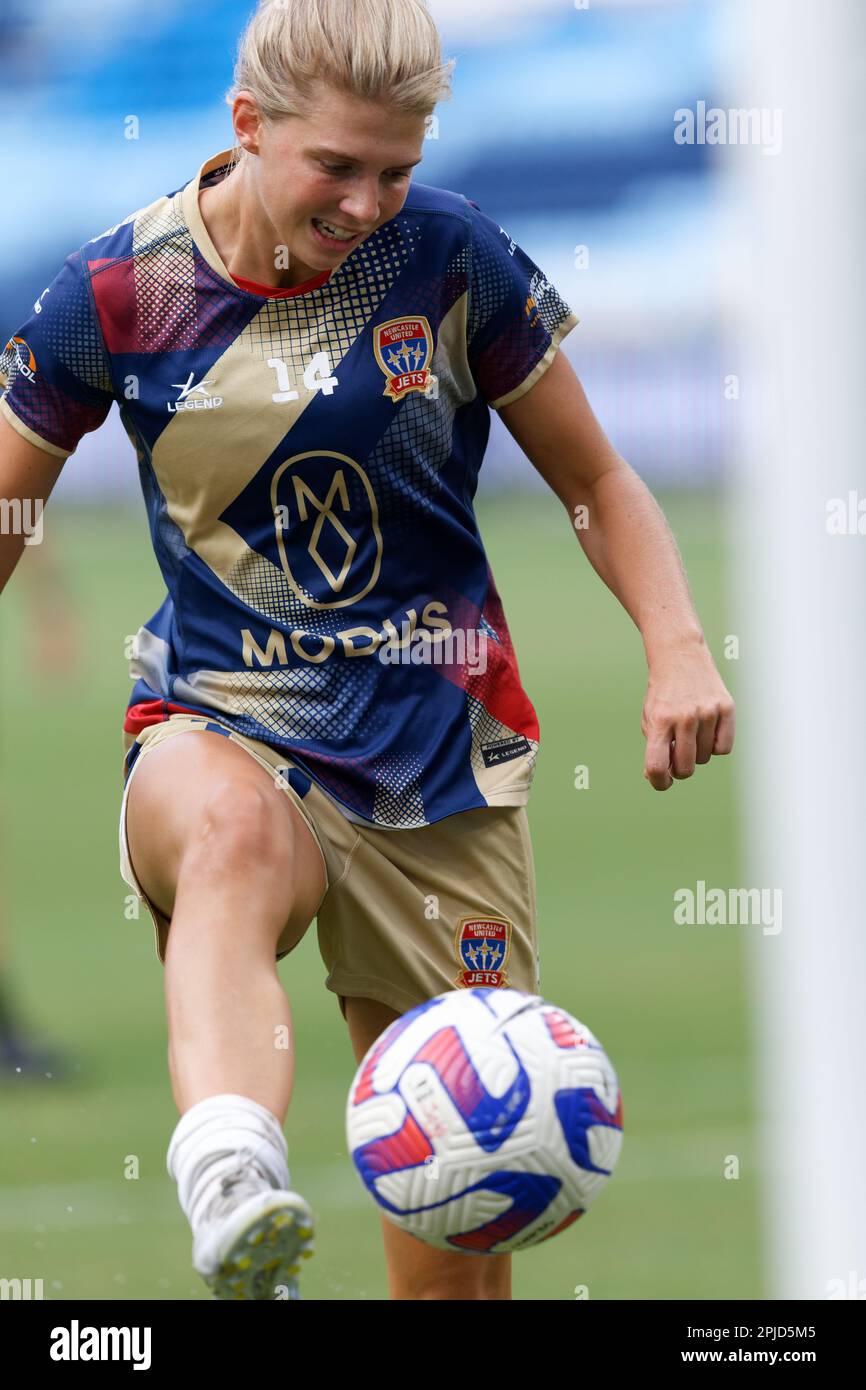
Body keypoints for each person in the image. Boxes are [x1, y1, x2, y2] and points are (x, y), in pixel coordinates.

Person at [0, 0, 735, 1301]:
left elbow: (598, 480)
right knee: (225, 838)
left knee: (449, 1264)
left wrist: (675, 642)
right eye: (334, 167)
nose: (364, 201)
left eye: (392, 170)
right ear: (246, 125)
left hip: (436, 776)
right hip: (220, 723)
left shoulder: (451, 259)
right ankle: (229, 1164)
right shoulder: (116, 289)